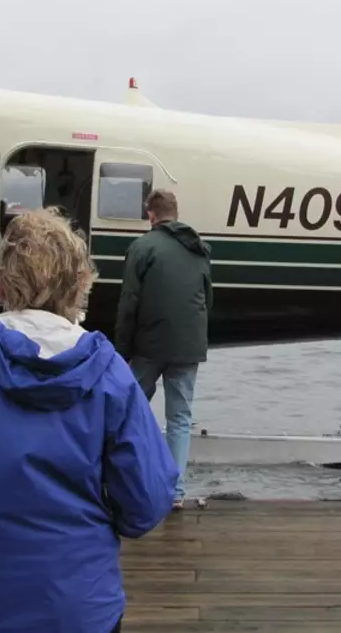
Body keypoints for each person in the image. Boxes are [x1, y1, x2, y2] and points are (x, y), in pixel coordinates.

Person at [0, 207, 177, 633]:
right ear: (80, 284)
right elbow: (144, 505)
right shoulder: (109, 372)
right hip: (78, 608)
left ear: (0, 283)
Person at [114, 189, 213, 509]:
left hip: (149, 346)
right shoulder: (198, 248)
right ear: (175, 213)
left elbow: (129, 302)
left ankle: (127, 482)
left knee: (130, 411)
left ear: (151, 216)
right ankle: (175, 493)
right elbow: (207, 298)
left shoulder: (141, 247)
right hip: (188, 345)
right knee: (180, 418)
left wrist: (121, 349)